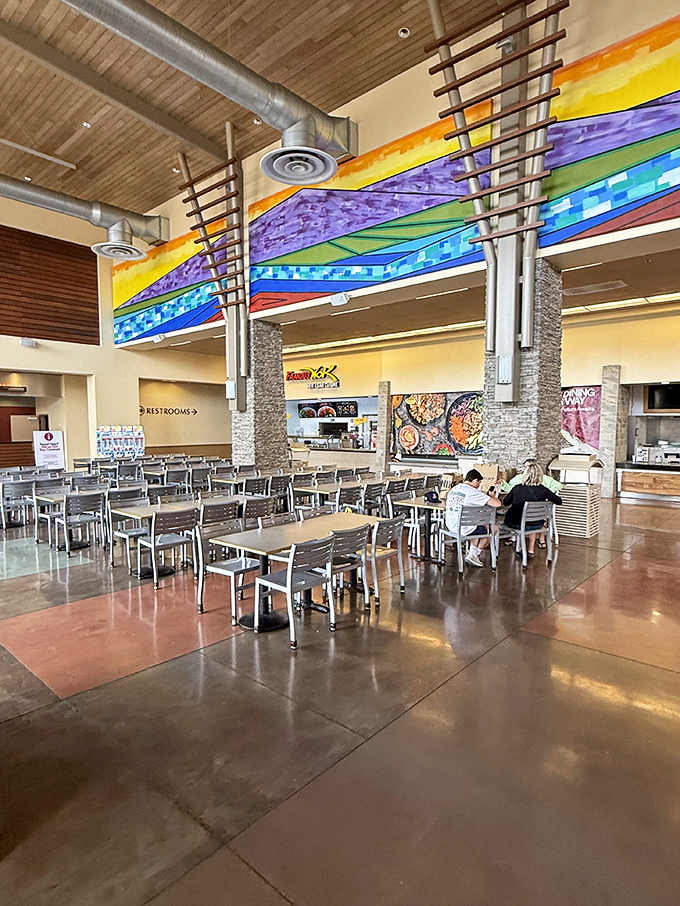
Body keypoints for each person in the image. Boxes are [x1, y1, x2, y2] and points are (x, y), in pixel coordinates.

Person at [503, 461, 562, 557]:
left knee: (521, 519)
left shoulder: (517, 488)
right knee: (531, 520)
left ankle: (521, 547)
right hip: (537, 524)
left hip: (516, 523)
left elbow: (506, 503)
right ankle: (530, 549)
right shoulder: (543, 490)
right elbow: (559, 501)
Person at [445, 469, 501, 567]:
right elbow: (497, 504)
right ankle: (474, 554)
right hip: (464, 528)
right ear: (475, 480)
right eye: (479, 482)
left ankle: (472, 553)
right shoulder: (473, 492)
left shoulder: (454, 488)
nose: (479, 485)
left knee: (478, 524)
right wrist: (492, 496)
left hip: (450, 525)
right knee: (493, 528)